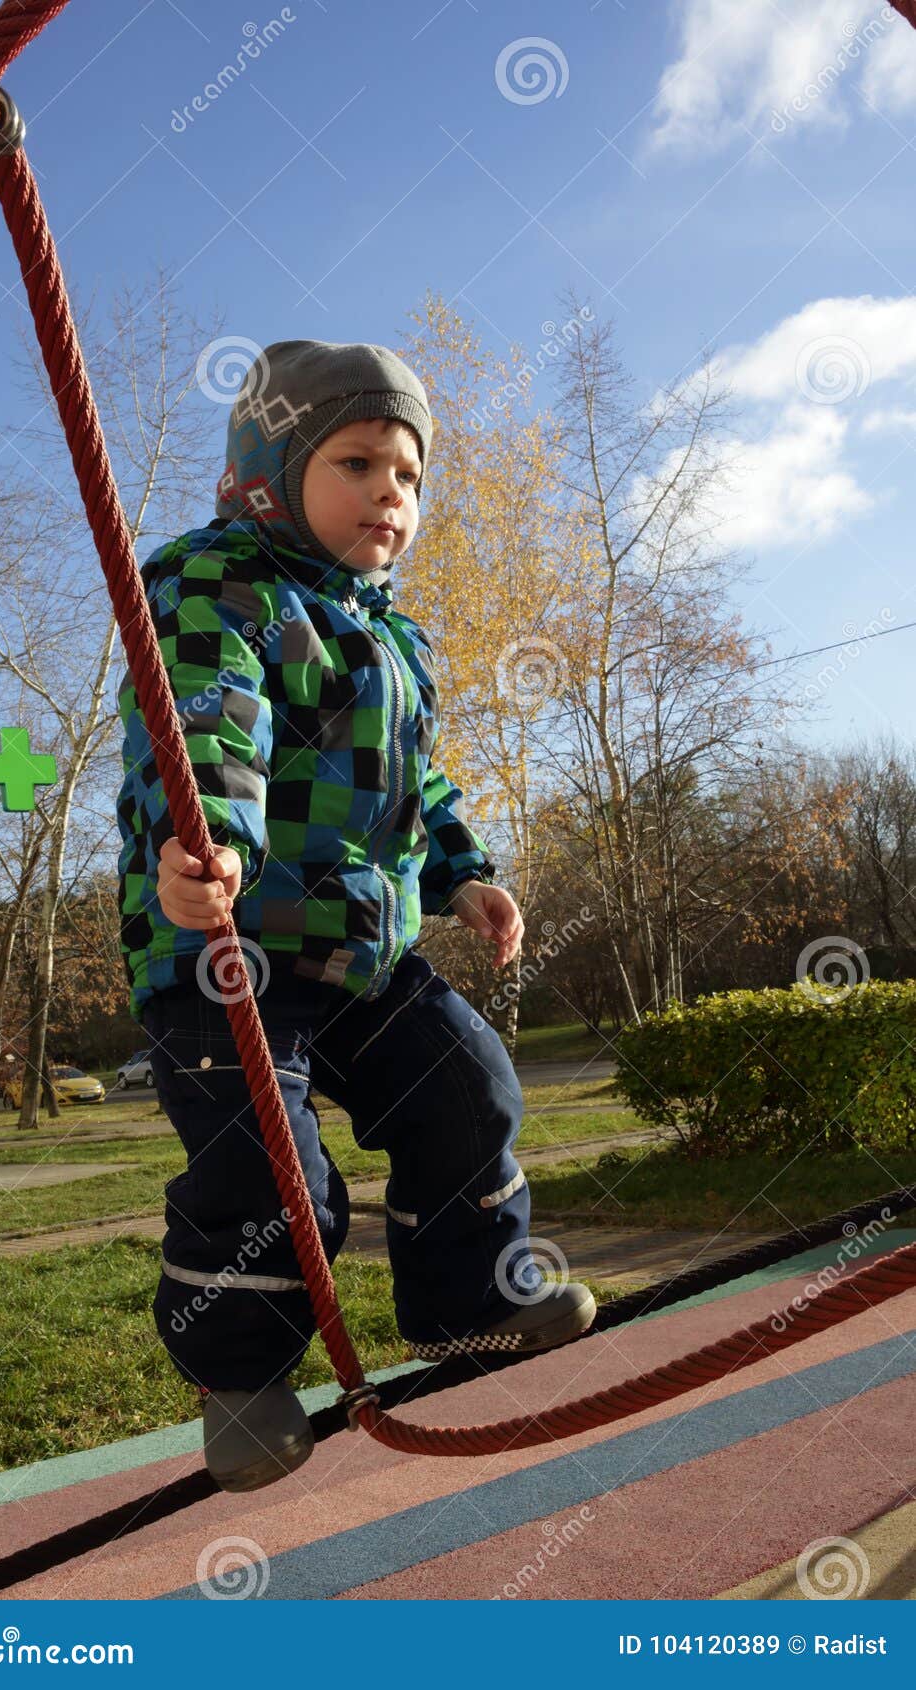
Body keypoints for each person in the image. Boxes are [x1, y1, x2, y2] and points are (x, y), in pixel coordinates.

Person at [115, 340, 596, 1493]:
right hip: (226, 946)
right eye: (359, 461)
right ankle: (238, 1378)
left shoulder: (390, 635)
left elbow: (414, 785)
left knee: (469, 1087)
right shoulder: (212, 581)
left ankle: (468, 1303)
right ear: (268, 475)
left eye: (412, 474)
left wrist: (463, 873)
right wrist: (210, 842)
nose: (394, 491)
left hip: (357, 950)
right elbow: (204, 718)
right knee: (277, 1179)